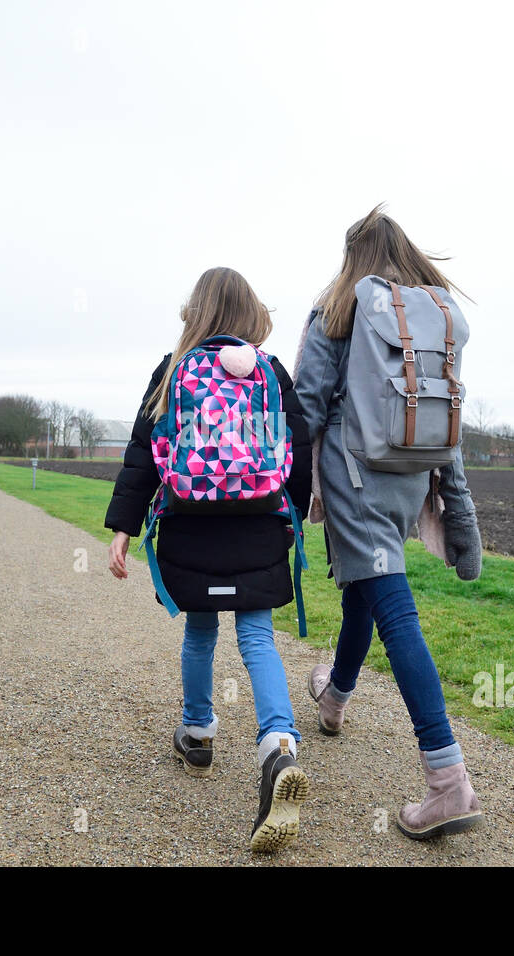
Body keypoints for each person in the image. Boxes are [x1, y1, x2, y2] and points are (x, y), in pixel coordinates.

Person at [104, 266, 314, 853]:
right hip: (259, 520)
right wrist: (291, 515)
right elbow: (296, 447)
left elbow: (143, 451)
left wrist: (123, 524)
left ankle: (197, 731)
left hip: (189, 523)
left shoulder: (174, 370)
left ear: (196, 313)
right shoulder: (270, 371)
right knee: (257, 638)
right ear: (250, 314)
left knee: (200, 634)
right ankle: (278, 745)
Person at [293, 205, 485, 839]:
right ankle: (335, 698)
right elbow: (449, 430)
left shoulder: (341, 307)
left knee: (392, 606)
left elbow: (308, 407)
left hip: (357, 478)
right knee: (365, 591)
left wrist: (289, 499)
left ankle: (447, 782)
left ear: (353, 256)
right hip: (412, 476)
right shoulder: (431, 314)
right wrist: (458, 515)